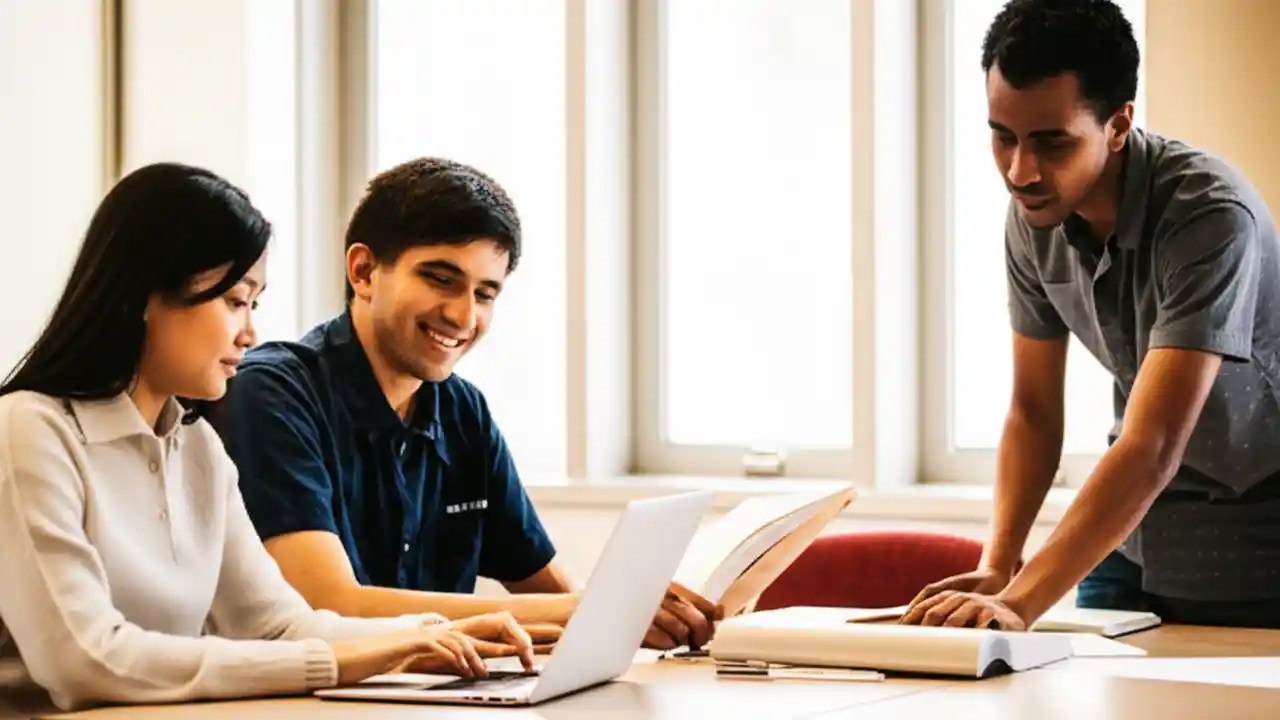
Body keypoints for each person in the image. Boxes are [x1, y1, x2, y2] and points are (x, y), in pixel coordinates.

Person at [0, 163, 533, 713]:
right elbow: (84, 660)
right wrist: (349, 661)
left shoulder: (198, 448)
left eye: (254, 304)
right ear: (144, 294)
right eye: (235, 302)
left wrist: (429, 633)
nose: (250, 333)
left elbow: (278, 625)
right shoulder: (28, 430)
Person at [212, 157, 719, 651]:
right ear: (363, 271)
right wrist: (588, 611)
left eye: (486, 294)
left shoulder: (461, 410)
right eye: (441, 279)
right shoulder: (273, 392)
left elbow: (556, 593)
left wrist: (641, 616)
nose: (462, 315)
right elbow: (326, 607)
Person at [903, 0, 1280, 630]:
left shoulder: (1210, 215)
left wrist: (1019, 601)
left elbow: (1153, 444)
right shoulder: (1035, 215)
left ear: (1118, 124)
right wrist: (1001, 565)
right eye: (1004, 137)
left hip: (1252, 546)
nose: (1021, 172)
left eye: (1053, 143)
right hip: (1129, 542)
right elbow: (1033, 410)